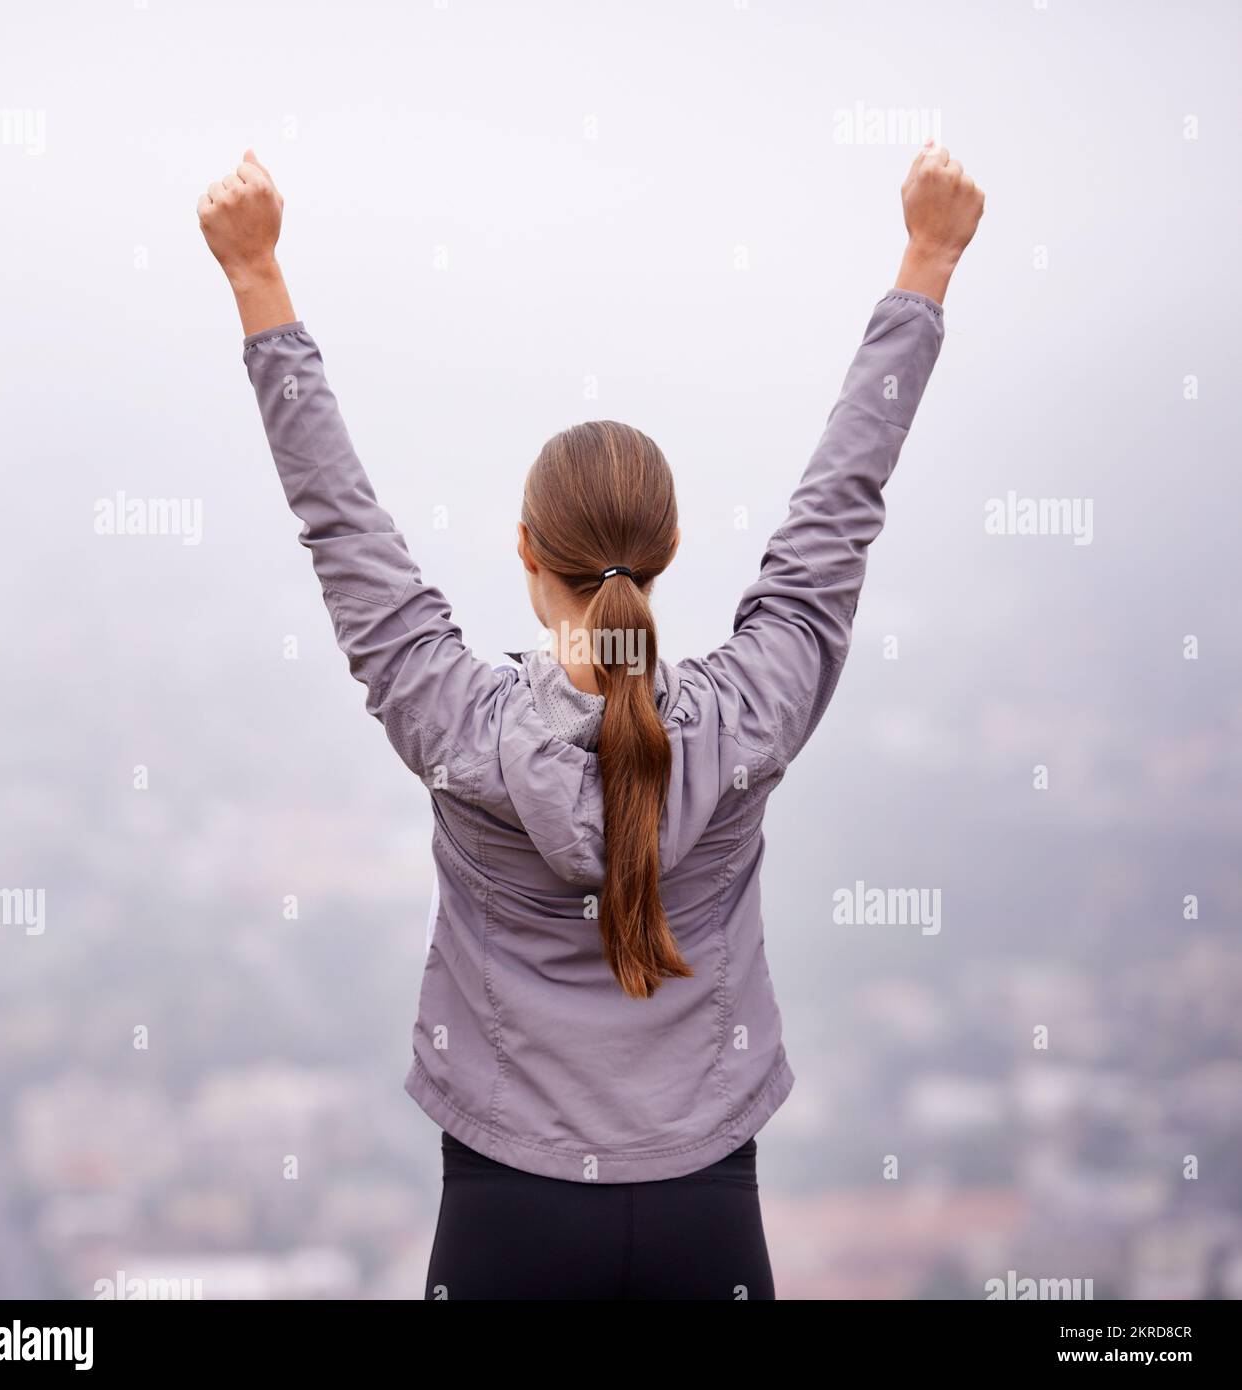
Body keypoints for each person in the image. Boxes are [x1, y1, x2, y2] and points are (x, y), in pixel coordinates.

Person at [197, 140, 984, 1300]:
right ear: (663, 557)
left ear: (526, 553)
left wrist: (258, 278)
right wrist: (928, 261)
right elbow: (835, 515)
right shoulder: (747, 715)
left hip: (501, 1212)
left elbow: (343, 528)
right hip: (709, 1207)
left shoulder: (455, 719)